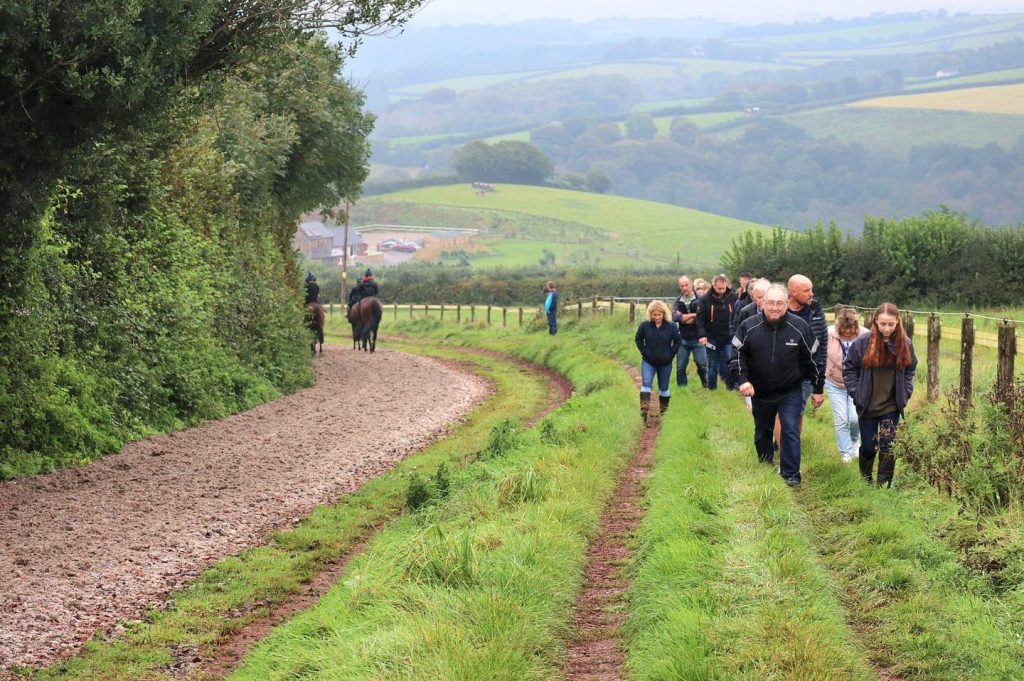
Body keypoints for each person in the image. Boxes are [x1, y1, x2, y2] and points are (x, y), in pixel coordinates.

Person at [731, 284, 824, 486]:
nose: (775, 307)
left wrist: (818, 389)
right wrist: (743, 380)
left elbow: (815, 360)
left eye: (779, 303)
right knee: (763, 431)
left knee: (790, 428)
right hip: (760, 389)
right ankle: (765, 466)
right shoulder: (748, 326)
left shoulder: (800, 327)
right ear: (763, 303)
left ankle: (791, 474)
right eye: (770, 303)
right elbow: (737, 357)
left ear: (786, 304)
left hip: (790, 389)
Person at [843, 303, 918, 487]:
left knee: (887, 445)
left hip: (891, 405)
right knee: (869, 447)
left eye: (891, 324)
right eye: (883, 324)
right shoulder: (862, 343)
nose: (886, 328)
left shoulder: (905, 344)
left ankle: (883, 486)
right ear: (876, 321)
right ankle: (866, 481)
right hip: (867, 403)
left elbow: (910, 369)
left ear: (897, 322)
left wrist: (906, 392)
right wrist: (856, 392)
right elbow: (849, 369)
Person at [825, 308, 869, 463]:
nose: (848, 331)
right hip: (834, 382)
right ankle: (845, 451)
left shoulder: (865, 335)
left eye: (851, 328)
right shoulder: (829, 334)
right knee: (841, 419)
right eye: (845, 328)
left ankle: (855, 440)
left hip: (857, 383)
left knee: (855, 418)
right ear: (838, 327)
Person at [635, 300, 681, 421]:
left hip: (665, 362)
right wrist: (644, 351)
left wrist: (671, 353)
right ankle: (644, 410)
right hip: (648, 361)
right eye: (654, 315)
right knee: (646, 384)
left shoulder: (671, 326)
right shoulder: (645, 325)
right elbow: (638, 339)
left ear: (664, 314)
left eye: (659, 315)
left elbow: (677, 341)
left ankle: (663, 413)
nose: (656, 317)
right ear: (650, 314)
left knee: (664, 388)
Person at [696, 274, 737, 390]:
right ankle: (712, 389)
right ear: (713, 286)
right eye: (719, 288)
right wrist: (702, 335)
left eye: (723, 288)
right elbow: (700, 319)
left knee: (728, 361)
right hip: (712, 337)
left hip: (728, 336)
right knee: (712, 364)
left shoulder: (733, 297)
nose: (721, 291)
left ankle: (730, 388)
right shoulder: (705, 300)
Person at [671, 275, 708, 387]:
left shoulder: (701, 299)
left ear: (691, 284)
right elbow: (676, 318)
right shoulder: (677, 301)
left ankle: (705, 383)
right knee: (681, 366)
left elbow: (703, 316)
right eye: (682, 286)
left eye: (686, 285)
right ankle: (682, 389)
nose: (685, 288)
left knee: (701, 364)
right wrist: (694, 315)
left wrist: (685, 317)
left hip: (698, 337)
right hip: (683, 338)